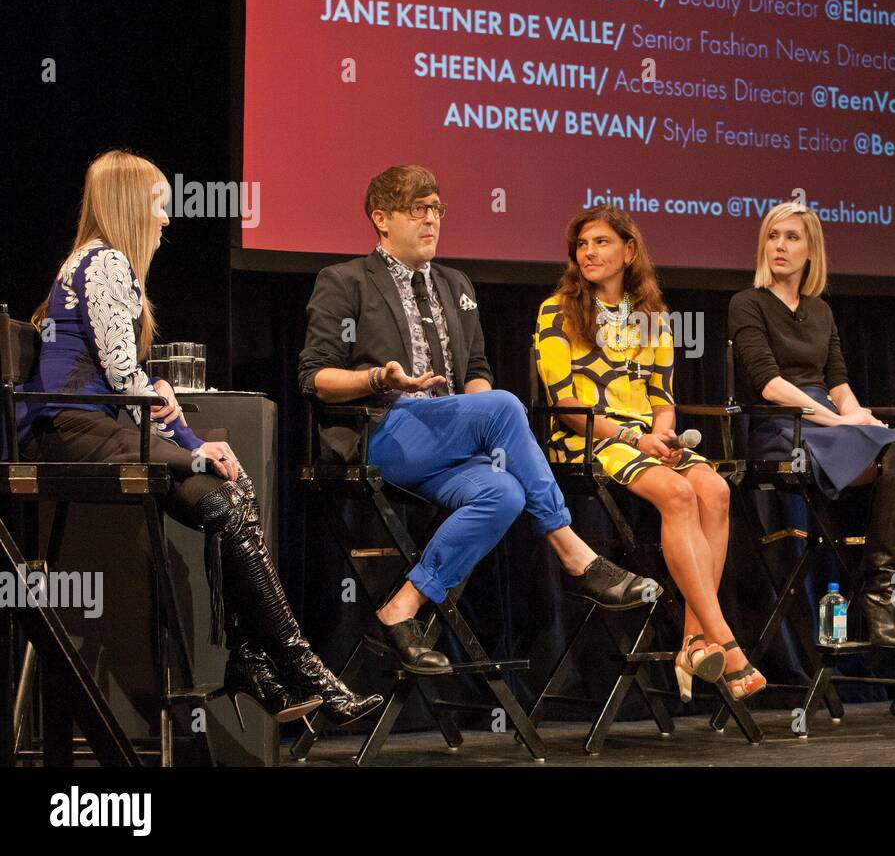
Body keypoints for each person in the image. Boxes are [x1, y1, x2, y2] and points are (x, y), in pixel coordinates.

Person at [18, 149, 381, 727]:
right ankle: (297, 669)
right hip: (73, 431)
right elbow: (124, 380)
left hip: (100, 426)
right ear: (132, 206)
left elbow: (137, 388)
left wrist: (192, 443)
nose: (167, 220)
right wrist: (190, 450)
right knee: (225, 498)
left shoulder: (98, 264)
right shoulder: (105, 263)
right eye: (161, 206)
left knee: (231, 497)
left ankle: (259, 663)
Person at [298, 165, 660, 673]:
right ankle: (577, 555)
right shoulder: (344, 280)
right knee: (505, 405)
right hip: (382, 431)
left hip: (449, 439)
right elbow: (314, 378)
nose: (431, 221)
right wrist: (381, 378)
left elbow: (476, 372)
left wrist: (478, 418)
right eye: (416, 210)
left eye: (436, 209)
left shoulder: (456, 283)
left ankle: (401, 609)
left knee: (504, 493)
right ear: (381, 219)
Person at [535, 204, 763, 700]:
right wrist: (634, 437)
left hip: (645, 438)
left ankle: (692, 641)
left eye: (601, 242)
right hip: (589, 440)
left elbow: (662, 399)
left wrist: (664, 435)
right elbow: (566, 403)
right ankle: (721, 638)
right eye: (582, 244)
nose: (589, 253)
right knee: (678, 494)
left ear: (629, 250)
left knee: (715, 489)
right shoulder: (557, 310)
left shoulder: (654, 318)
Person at [728, 202, 895, 649]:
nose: (780, 246)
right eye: (773, 236)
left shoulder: (821, 312)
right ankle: (877, 595)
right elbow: (770, 386)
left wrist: (860, 415)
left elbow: (839, 381)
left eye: (791, 237)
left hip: (828, 417)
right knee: (893, 446)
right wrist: (841, 420)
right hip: (780, 427)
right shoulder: (746, 303)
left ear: (811, 250)